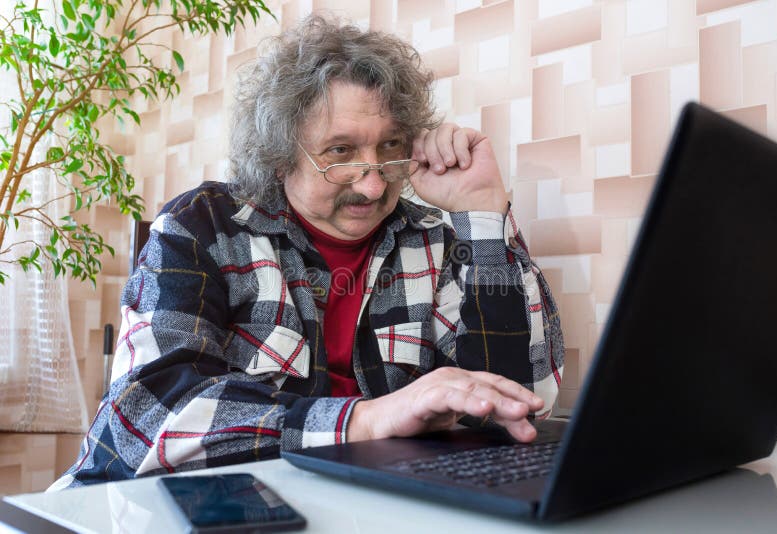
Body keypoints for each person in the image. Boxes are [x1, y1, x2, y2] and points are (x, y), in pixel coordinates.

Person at [51, 14, 564, 489]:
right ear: (279, 157)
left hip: (337, 505)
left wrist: (483, 216)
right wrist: (364, 421)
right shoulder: (203, 226)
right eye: (340, 152)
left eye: (390, 147)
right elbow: (150, 415)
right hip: (137, 505)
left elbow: (523, 399)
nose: (372, 185)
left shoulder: (433, 240)